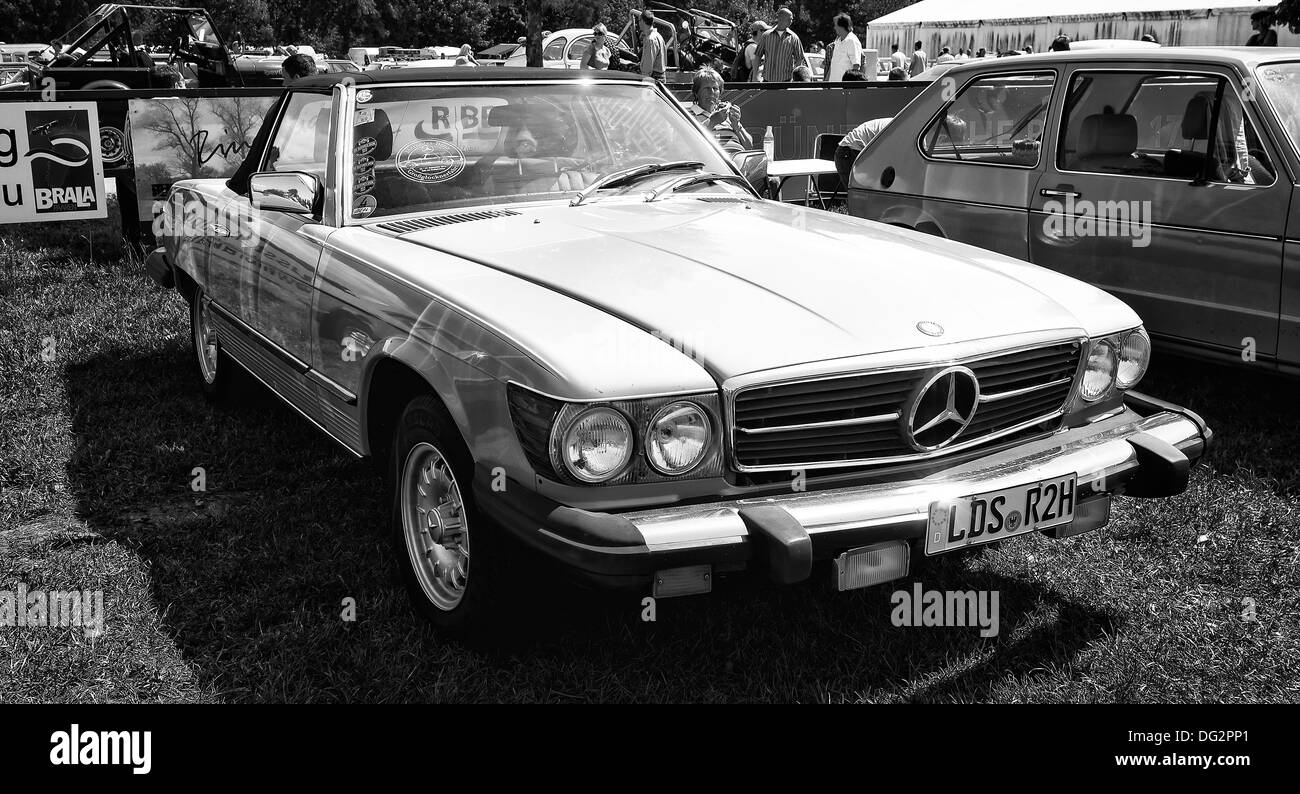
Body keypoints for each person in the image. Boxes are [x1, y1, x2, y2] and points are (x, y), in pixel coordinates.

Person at [687, 67, 753, 154]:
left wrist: (737, 126)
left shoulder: (727, 113)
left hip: (738, 159)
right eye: (706, 88)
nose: (711, 92)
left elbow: (749, 147)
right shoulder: (687, 114)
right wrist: (711, 122)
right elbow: (688, 143)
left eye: (715, 88)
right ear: (696, 92)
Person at [751, 6, 807, 83]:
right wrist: (754, 76)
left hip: (785, 82)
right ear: (781, 19)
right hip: (767, 81)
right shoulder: (766, 36)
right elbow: (758, 56)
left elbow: (799, 58)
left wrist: (794, 79)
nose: (792, 21)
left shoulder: (794, 37)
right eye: (790, 19)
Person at [834, 117, 892, 188]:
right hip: (850, 151)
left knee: (869, 192)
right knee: (861, 194)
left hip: (852, 150)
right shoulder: (899, 127)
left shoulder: (899, 123)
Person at [824, 12, 861, 82]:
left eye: (836, 25)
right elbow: (833, 64)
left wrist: (849, 86)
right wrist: (826, 82)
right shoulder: (838, 41)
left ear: (842, 26)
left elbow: (856, 67)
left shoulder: (852, 41)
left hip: (845, 89)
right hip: (833, 87)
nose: (834, 28)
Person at [638, 9, 666, 81]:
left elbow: (647, 67)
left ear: (643, 21)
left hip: (654, 78)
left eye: (639, 20)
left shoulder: (650, 40)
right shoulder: (658, 36)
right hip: (660, 76)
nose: (638, 23)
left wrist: (644, 80)